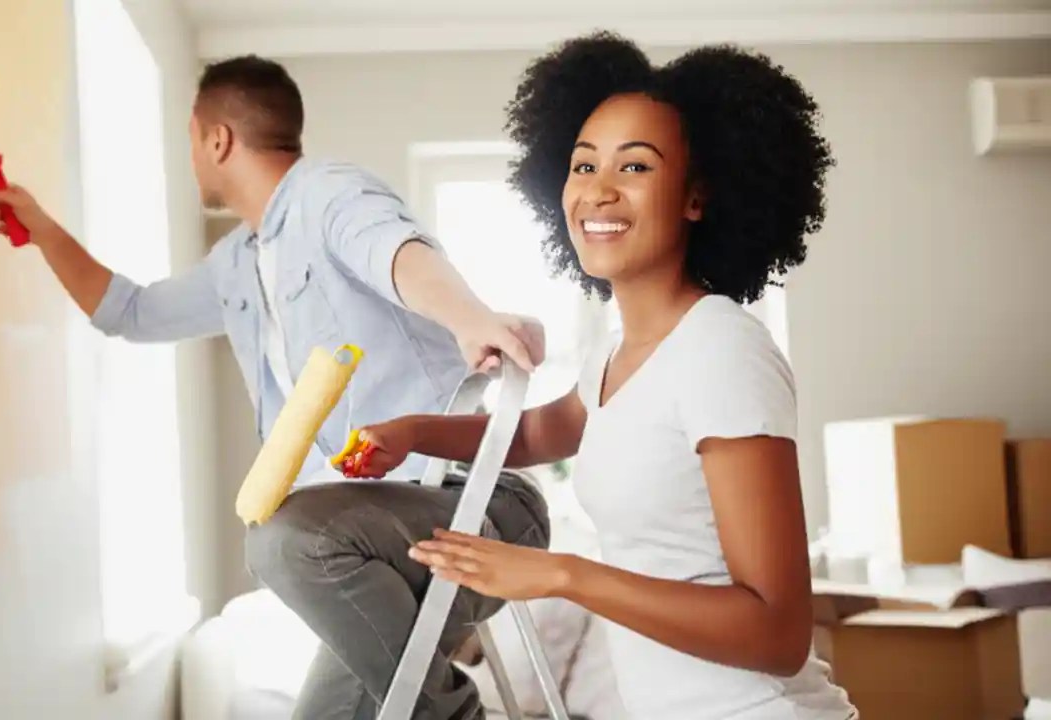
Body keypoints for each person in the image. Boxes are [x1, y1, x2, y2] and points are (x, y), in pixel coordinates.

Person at [0, 55, 550, 719]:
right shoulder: (238, 262)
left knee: (280, 539)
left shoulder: (329, 193)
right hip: (373, 542)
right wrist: (42, 231)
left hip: (471, 502)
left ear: (216, 138)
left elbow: (396, 253)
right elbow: (130, 313)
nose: (189, 155)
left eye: (190, 138)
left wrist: (469, 319)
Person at [348, 33, 858, 719]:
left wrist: (563, 576)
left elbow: (778, 633)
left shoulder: (722, 351)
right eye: (583, 165)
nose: (598, 191)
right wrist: (412, 432)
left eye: (636, 167)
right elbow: (534, 434)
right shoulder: (621, 354)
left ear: (698, 197)